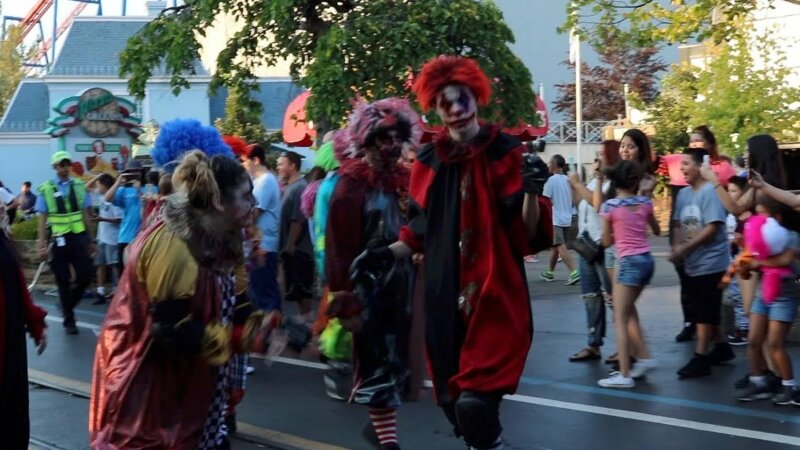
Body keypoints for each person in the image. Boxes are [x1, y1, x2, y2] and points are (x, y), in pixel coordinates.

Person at [355, 55, 550, 450]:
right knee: (456, 403)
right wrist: (384, 254)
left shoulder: (503, 152)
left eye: (462, 98)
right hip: (444, 297)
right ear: (436, 108)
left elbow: (526, 231)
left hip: (494, 293)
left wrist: (531, 191)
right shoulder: (429, 161)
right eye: (446, 102)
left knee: (475, 402)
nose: (457, 109)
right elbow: (419, 233)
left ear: (476, 97)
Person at [90, 150, 272, 450]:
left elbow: (236, 305)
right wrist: (234, 338)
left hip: (198, 381)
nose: (253, 204)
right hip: (150, 381)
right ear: (218, 202)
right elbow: (170, 332)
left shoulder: (226, 235)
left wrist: (264, 329)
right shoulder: (176, 244)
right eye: (246, 195)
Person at [324, 97, 421, 450]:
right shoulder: (350, 185)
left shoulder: (407, 181)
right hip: (368, 292)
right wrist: (345, 300)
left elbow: (421, 227)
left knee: (399, 366)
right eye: (384, 138)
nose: (392, 146)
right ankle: (388, 442)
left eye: (397, 137)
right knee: (377, 364)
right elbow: (338, 248)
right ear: (367, 140)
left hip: (405, 287)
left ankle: (380, 431)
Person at [671, 148, 734, 379]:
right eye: (681, 164)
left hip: (712, 262)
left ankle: (701, 358)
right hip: (692, 262)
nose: (682, 168)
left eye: (686, 163)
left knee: (703, 310)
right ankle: (722, 347)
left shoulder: (710, 192)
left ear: (699, 166)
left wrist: (684, 248)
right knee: (705, 307)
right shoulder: (684, 195)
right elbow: (677, 223)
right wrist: (678, 247)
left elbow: (712, 227)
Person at [596, 160, 660, 388]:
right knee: (628, 308)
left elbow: (605, 241)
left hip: (628, 262)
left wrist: (617, 234)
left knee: (619, 318)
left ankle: (624, 374)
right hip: (647, 261)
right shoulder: (645, 203)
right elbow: (657, 230)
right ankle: (644, 358)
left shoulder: (610, 208)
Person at [734, 194, 800, 405]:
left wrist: (756, 263)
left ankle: (790, 387)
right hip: (763, 295)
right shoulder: (759, 239)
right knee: (753, 340)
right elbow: (747, 271)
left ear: (777, 217)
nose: (758, 218)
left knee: (775, 344)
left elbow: (785, 259)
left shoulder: (791, 236)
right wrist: (744, 262)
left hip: (784, 297)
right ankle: (759, 381)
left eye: (762, 214)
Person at [567, 140, 619, 362]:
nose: (597, 160)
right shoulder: (595, 180)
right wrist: (574, 185)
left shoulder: (615, 183)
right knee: (590, 296)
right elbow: (579, 202)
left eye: (601, 155)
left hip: (604, 246)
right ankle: (593, 343)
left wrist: (579, 185)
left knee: (615, 299)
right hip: (587, 245)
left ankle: (625, 346)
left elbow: (598, 204)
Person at [0, 206, 47, 448]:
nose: (2, 209)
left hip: (9, 342)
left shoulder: (3, 239)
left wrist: (35, 321)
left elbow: (17, 284)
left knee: (12, 417)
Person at [35, 151, 95, 334]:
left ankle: (66, 304)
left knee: (85, 277)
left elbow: (86, 214)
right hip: (58, 240)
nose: (65, 167)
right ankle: (69, 320)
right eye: (61, 164)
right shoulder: (46, 189)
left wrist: (92, 240)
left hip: (78, 238)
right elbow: (42, 220)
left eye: (67, 163)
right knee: (63, 280)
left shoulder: (79, 186)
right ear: (55, 167)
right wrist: (42, 245)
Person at [240, 144, 282, 313]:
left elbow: (253, 214)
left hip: (265, 245)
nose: (242, 165)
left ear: (255, 160)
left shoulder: (265, 181)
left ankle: (274, 331)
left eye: (244, 161)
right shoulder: (260, 181)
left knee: (266, 293)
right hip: (260, 245)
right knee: (260, 291)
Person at [277, 150, 315, 320]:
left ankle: (306, 322)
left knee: (301, 289)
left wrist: (290, 245)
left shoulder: (299, 187)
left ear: (293, 166)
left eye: (281, 164)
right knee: (296, 291)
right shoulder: (291, 187)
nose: (278, 167)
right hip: (293, 249)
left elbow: (297, 220)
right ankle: (304, 319)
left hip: (300, 250)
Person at [540, 154, 579, 285]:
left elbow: (545, 201)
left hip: (555, 218)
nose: (548, 165)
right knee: (556, 247)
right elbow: (574, 200)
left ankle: (574, 272)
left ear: (555, 165)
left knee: (559, 246)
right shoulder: (568, 180)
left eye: (550, 162)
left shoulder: (550, 181)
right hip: (567, 218)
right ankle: (549, 272)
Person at [87, 173, 122, 305]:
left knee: (114, 266)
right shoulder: (101, 196)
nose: (96, 186)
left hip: (113, 238)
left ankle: (116, 292)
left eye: (99, 184)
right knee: (100, 264)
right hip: (101, 237)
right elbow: (87, 187)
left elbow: (119, 219)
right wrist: (99, 176)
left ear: (104, 185)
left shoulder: (114, 199)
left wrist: (102, 219)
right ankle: (101, 293)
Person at [104, 160, 145, 265]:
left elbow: (148, 206)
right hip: (125, 237)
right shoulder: (123, 190)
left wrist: (139, 190)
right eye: (131, 172)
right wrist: (118, 182)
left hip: (143, 237)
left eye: (137, 172)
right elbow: (107, 198)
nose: (134, 175)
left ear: (142, 172)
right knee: (123, 274)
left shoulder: (150, 188)